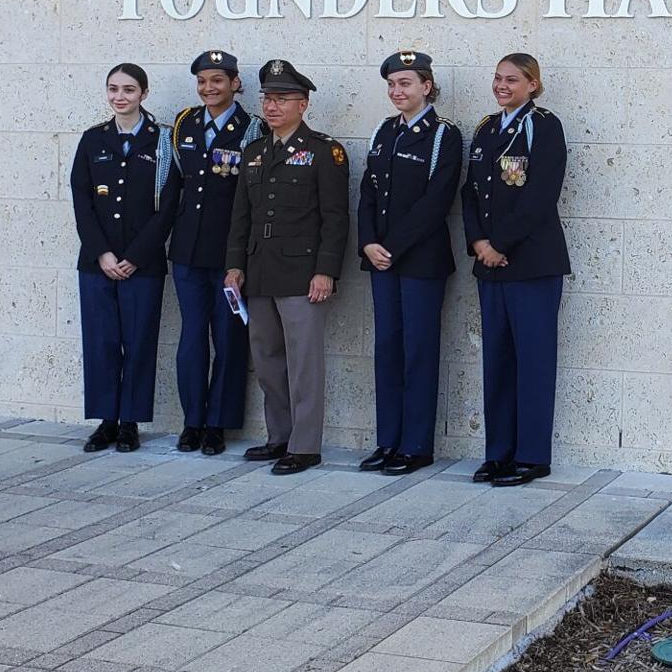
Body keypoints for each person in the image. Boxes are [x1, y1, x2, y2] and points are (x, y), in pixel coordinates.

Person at [224, 59, 349, 475]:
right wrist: (234, 266)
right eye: (267, 98)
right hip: (259, 273)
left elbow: (335, 218)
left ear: (304, 104)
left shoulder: (323, 151)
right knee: (267, 359)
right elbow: (240, 217)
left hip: (302, 275)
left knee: (303, 362)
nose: (272, 106)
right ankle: (279, 436)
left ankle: (305, 445)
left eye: (282, 99)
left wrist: (326, 271)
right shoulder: (255, 152)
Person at [462, 53, 569, 487]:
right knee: (498, 362)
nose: (502, 85)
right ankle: (499, 452)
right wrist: (479, 244)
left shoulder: (544, 126)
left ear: (533, 85)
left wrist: (500, 244)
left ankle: (531, 456)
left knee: (534, 361)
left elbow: (541, 194)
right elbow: (471, 192)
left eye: (512, 79)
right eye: (497, 77)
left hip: (531, 264)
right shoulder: (487, 128)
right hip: (491, 266)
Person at [357, 50, 462, 476]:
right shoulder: (383, 131)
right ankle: (389, 441)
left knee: (418, 350)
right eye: (392, 84)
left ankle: (416, 445)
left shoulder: (442, 135)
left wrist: (392, 246)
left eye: (406, 83)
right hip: (381, 260)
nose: (397, 91)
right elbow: (366, 192)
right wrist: (367, 242)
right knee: (387, 350)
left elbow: (436, 202)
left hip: (419, 261)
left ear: (427, 86)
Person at [162, 50, 263, 456]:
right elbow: (177, 186)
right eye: (203, 81)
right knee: (191, 339)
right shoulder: (185, 124)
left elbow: (255, 195)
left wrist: (243, 257)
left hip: (229, 255)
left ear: (235, 83)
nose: (209, 88)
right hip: (187, 250)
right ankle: (192, 421)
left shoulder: (252, 128)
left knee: (228, 338)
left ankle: (218, 424)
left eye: (218, 80)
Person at [70, 63, 171, 453]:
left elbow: (168, 204)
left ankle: (130, 421)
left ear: (143, 94)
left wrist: (134, 256)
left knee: (139, 341)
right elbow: (82, 200)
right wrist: (103, 253)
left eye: (129, 89)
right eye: (113, 89)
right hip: (97, 263)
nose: (120, 97)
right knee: (102, 341)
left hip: (142, 265)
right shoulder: (93, 140)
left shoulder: (162, 141)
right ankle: (105, 419)